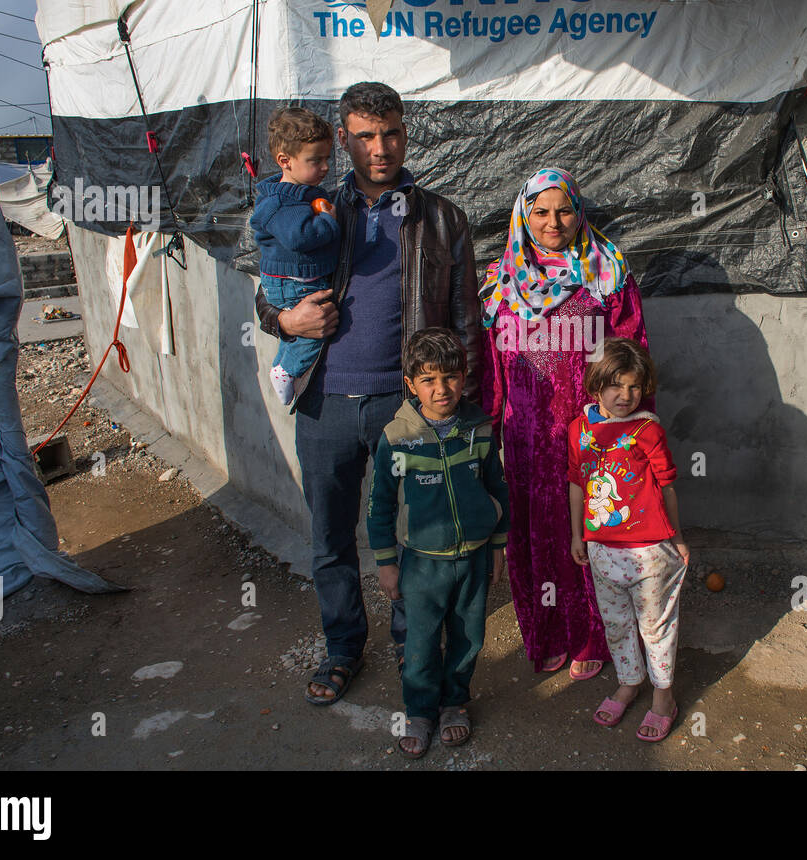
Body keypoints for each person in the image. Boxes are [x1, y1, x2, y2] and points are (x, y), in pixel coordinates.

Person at [253, 82, 481, 704]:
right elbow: (268, 289)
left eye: (392, 133)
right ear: (344, 138)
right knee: (330, 537)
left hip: (406, 409)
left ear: (405, 133)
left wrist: (468, 409)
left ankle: (414, 646)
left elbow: (465, 322)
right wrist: (285, 323)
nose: (380, 148)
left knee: (418, 535)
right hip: (324, 402)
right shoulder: (314, 212)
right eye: (365, 136)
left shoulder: (441, 217)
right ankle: (343, 648)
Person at [480, 166, 648, 679]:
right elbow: (490, 364)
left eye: (565, 210)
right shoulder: (500, 280)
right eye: (541, 211)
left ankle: (593, 635)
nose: (554, 222)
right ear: (523, 215)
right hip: (527, 438)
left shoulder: (608, 272)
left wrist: (630, 429)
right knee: (537, 534)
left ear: (580, 212)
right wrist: (487, 427)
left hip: (591, 434)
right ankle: (546, 631)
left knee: (590, 532)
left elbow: (632, 351)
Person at [367, 328, 508, 757]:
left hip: (474, 557)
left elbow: (497, 487)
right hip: (422, 564)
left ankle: (454, 704)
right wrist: (387, 562)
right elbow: (380, 504)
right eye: (428, 380)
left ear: (464, 376)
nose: (441, 389)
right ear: (411, 385)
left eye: (450, 377)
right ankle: (420, 710)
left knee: (468, 638)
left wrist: (498, 545)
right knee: (421, 641)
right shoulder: (396, 437)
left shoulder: (479, 427)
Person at [568, 337, 688, 742]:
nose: (626, 395)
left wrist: (678, 538)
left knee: (655, 627)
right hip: (602, 551)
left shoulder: (647, 430)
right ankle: (629, 681)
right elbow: (576, 485)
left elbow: (667, 485)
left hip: (651, 551)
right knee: (617, 624)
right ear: (596, 384)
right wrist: (577, 535)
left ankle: (663, 697)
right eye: (616, 385)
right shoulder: (578, 430)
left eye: (635, 386)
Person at [249, 107, 340, 404]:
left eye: (327, 158)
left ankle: (282, 366)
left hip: (294, 279)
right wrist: (328, 220)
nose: (324, 167)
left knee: (300, 334)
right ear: (285, 162)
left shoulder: (299, 193)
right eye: (315, 160)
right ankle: (287, 371)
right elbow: (300, 237)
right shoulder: (279, 202)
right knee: (315, 330)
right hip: (295, 282)